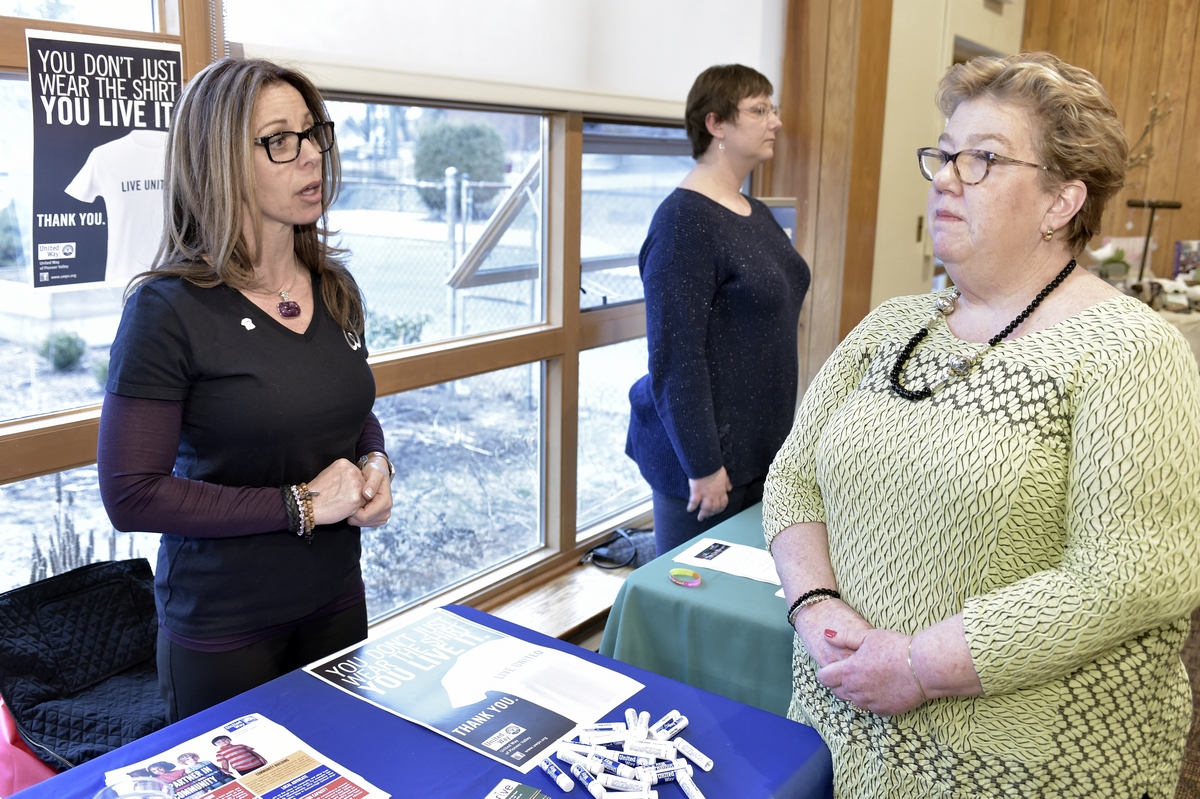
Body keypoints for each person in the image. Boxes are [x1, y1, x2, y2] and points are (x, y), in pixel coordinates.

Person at [764, 51, 1200, 799]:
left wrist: (916, 664)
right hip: (841, 734)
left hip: (1018, 770)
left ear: (1062, 200)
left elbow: (1130, 576)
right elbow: (793, 477)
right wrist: (815, 605)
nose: (944, 177)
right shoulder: (892, 325)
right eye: (945, 154)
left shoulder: (1131, 350)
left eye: (984, 159)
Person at [97, 58, 393, 723]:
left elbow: (354, 412)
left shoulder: (334, 287)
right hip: (225, 627)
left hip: (336, 597)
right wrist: (301, 504)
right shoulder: (167, 309)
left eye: (314, 133)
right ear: (220, 159)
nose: (310, 155)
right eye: (279, 140)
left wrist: (375, 463)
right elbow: (131, 492)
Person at [626, 63, 810, 554]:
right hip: (704, 465)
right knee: (691, 603)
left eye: (772, 108)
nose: (775, 121)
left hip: (760, 450)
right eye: (758, 109)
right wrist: (703, 466)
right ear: (716, 124)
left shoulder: (757, 212)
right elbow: (674, 358)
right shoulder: (683, 222)